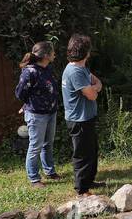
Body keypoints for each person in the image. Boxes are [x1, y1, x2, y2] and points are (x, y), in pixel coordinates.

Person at [62, 34, 103, 196]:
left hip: (87, 118)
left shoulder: (81, 67)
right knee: (82, 154)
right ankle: (82, 189)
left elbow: (97, 82)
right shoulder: (75, 72)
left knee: (91, 151)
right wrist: (95, 88)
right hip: (78, 120)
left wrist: (95, 87)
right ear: (85, 52)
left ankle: (89, 181)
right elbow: (92, 94)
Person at [14, 40, 60, 186]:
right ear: (46, 55)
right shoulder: (30, 72)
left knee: (48, 144)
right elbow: (20, 93)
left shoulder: (47, 69)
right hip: (36, 115)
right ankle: (34, 178)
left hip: (51, 112)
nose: (55, 54)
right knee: (35, 146)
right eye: (52, 52)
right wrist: (28, 104)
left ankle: (49, 171)